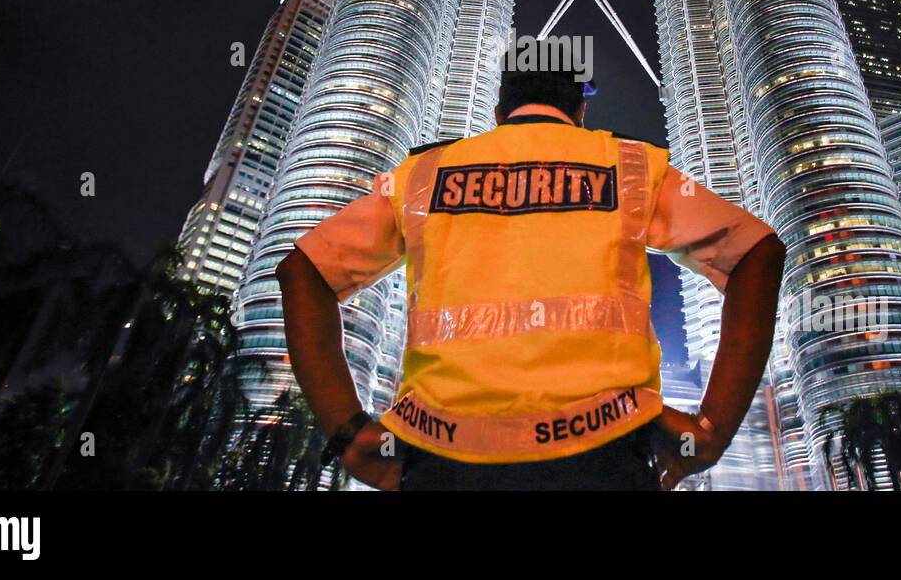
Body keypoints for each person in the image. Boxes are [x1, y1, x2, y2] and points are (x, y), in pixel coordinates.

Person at [276, 62, 785, 490]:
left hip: (442, 460)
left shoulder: (424, 175)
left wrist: (347, 433)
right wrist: (711, 429)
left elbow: (303, 271)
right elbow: (756, 254)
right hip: (604, 457)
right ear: (580, 110)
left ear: (499, 114)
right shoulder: (629, 165)